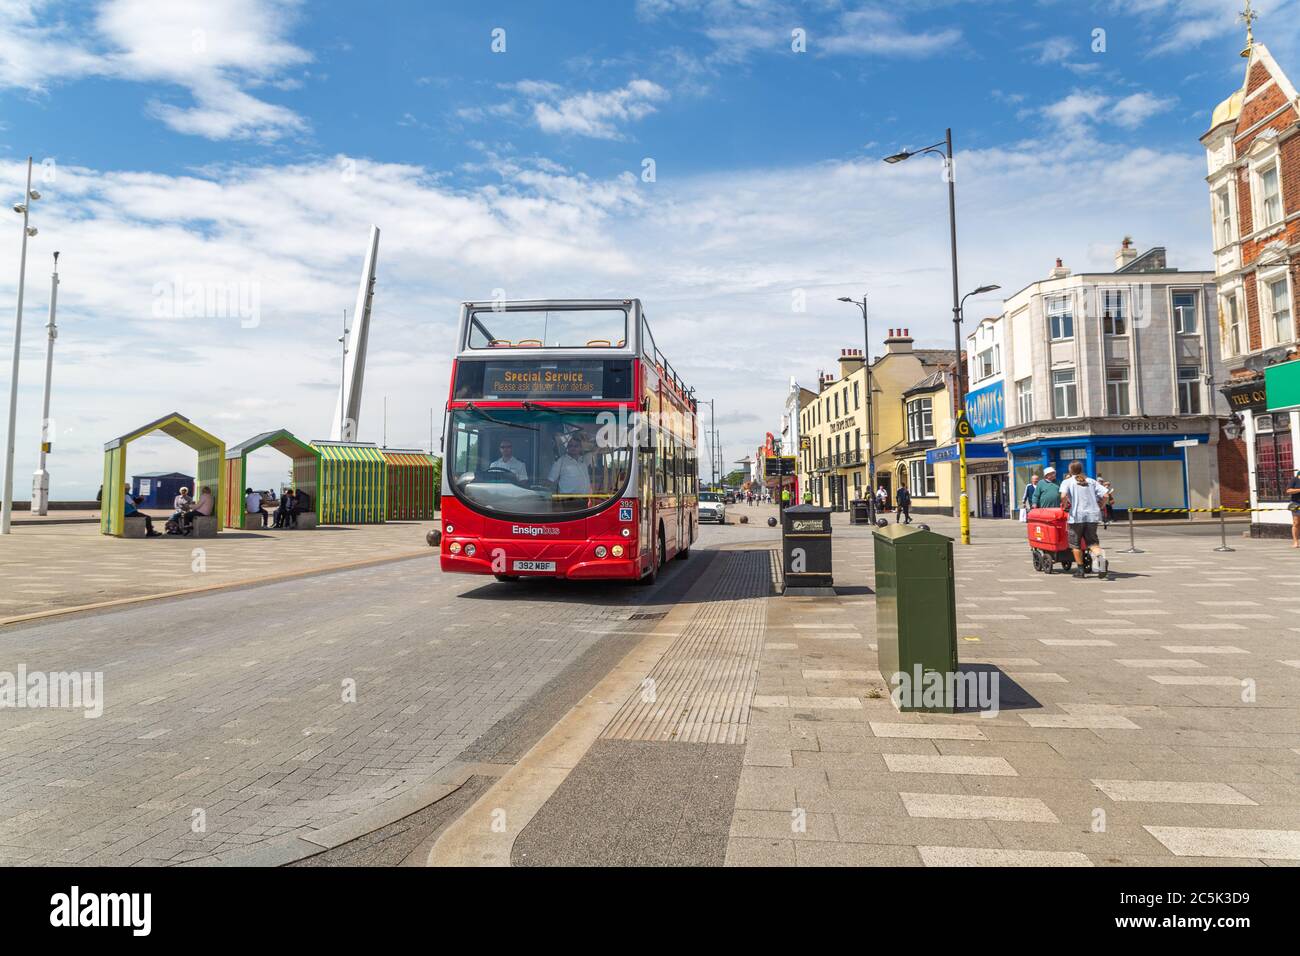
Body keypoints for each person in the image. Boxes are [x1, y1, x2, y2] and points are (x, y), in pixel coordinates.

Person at [1060, 460, 1110, 579]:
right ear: (1081, 469)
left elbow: (1063, 496)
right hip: (1093, 516)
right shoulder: (1091, 481)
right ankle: (1100, 557)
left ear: (1070, 470)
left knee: (1075, 545)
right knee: (1092, 543)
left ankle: (1080, 571)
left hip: (1076, 517)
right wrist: (1101, 506)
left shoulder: (1067, 482)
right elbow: (1106, 495)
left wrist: (1065, 505)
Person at [1288, 468, 1300, 549]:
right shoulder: (1294, 480)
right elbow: (1288, 491)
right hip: (1296, 503)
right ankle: (1296, 542)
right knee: (1296, 523)